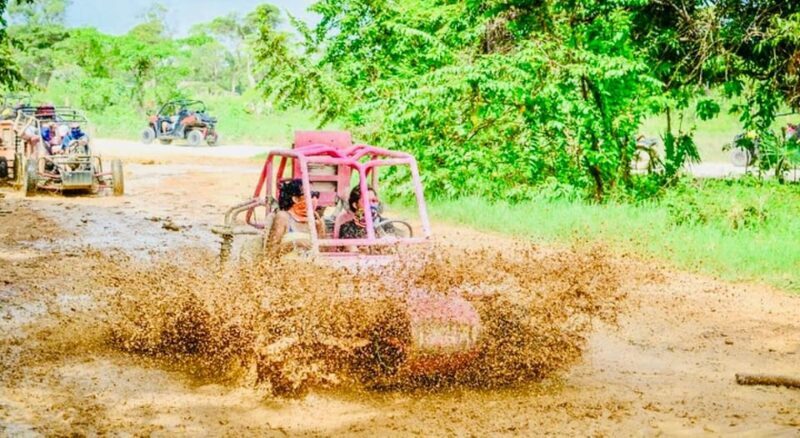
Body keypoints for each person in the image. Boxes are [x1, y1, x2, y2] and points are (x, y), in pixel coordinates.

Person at [265, 179, 326, 256]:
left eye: (316, 195)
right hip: (286, 265)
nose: (314, 199)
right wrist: (295, 244)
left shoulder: (318, 219)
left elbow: (323, 253)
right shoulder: (283, 217)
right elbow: (270, 253)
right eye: (310, 195)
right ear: (296, 199)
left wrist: (320, 231)